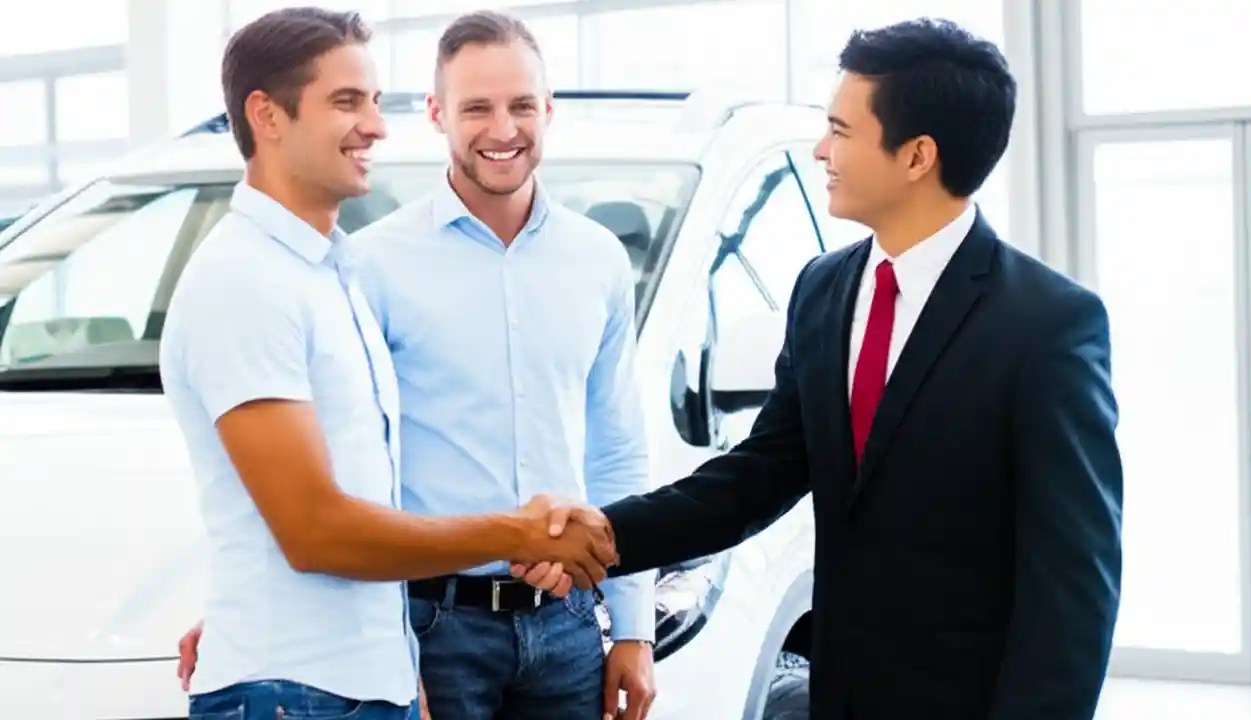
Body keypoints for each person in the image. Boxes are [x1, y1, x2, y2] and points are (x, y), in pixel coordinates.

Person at [520, 16, 1124, 720]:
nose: (819, 150)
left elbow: (1075, 582)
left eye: (840, 131)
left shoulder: (1047, 324)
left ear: (917, 155)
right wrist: (603, 537)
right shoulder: (823, 290)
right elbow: (759, 476)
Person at [160, 8, 615, 720]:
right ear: (266, 116)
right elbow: (313, 529)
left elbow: (362, 487)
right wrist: (518, 533)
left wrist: (404, 667)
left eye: (373, 101)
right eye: (347, 102)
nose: (375, 125)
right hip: (295, 693)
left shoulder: (327, 271)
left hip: (359, 682)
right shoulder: (243, 280)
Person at [349, 10, 657, 720]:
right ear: (436, 114)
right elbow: (354, 470)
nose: (502, 129)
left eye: (521, 105)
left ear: (548, 109)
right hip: (432, 628)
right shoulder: (374, 266)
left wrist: (633, 628)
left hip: (569, 623)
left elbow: (616, 448)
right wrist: (381, 647)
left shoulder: (599, 259)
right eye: (476, 108)